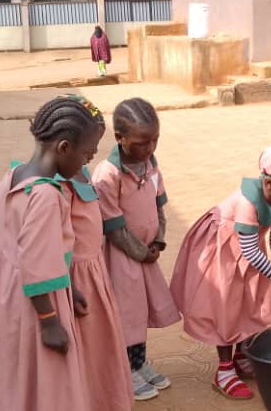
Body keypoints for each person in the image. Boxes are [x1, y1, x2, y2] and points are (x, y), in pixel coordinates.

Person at [0, 96, 102, 411]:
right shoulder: (46, 196)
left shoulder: (15, 176)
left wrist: (10, 257)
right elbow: (37, 264)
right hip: (38, 304)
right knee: (48, 381)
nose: (86, 163)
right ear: (64, 147)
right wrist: (49, 321)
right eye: (86, 154)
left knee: (14, 370)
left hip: (8, 297)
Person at [171, 143, 271, 400]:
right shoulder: (248, 201)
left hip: (249, 255)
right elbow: (248, 250)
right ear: (268, 184)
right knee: (226, 308)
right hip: (222, 254)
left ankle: (241, 356)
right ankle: (224, 370)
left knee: (249, 304)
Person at [91, 98, 180, 402]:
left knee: (140, 310)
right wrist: (141, 252)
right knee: (124, 313)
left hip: (145, 254)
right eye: (143, 143)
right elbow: (114, 228)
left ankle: (139, 362)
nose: (150, 148)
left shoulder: (151, 164)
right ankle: (124, 369)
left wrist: (158, 241)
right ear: (120, 138)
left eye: (155, 140)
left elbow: (160, 207)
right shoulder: (107, 175)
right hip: (122, 257)